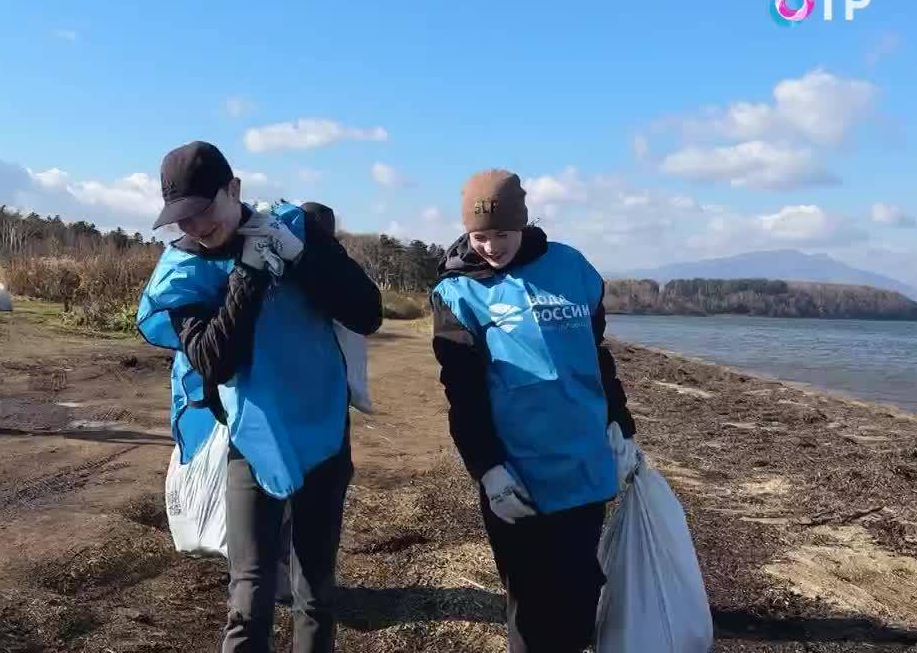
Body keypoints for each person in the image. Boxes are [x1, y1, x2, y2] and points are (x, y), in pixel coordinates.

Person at [137, 141, 381, 653]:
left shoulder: (295, 230)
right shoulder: (185, 271)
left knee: (315, 590)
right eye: (182, 218)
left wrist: (302, 258)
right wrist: (247, 275)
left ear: (234, 189)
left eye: (203, 210)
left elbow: (366, 311)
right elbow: (214, 360)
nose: (196, 227)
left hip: (323, 432)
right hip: (251, 440)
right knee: (249, 594)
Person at [429, 169, 638, 652]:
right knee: (528, 602)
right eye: (480, 236)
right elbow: (462, 391)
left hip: (583, 461)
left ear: (523, 223)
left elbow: (596, 355)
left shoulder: (571, 267)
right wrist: (487, 468)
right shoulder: (457, 292)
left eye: (502, 234)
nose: (491, 247)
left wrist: (621, 424)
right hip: (516, 472)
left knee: (581, 589)